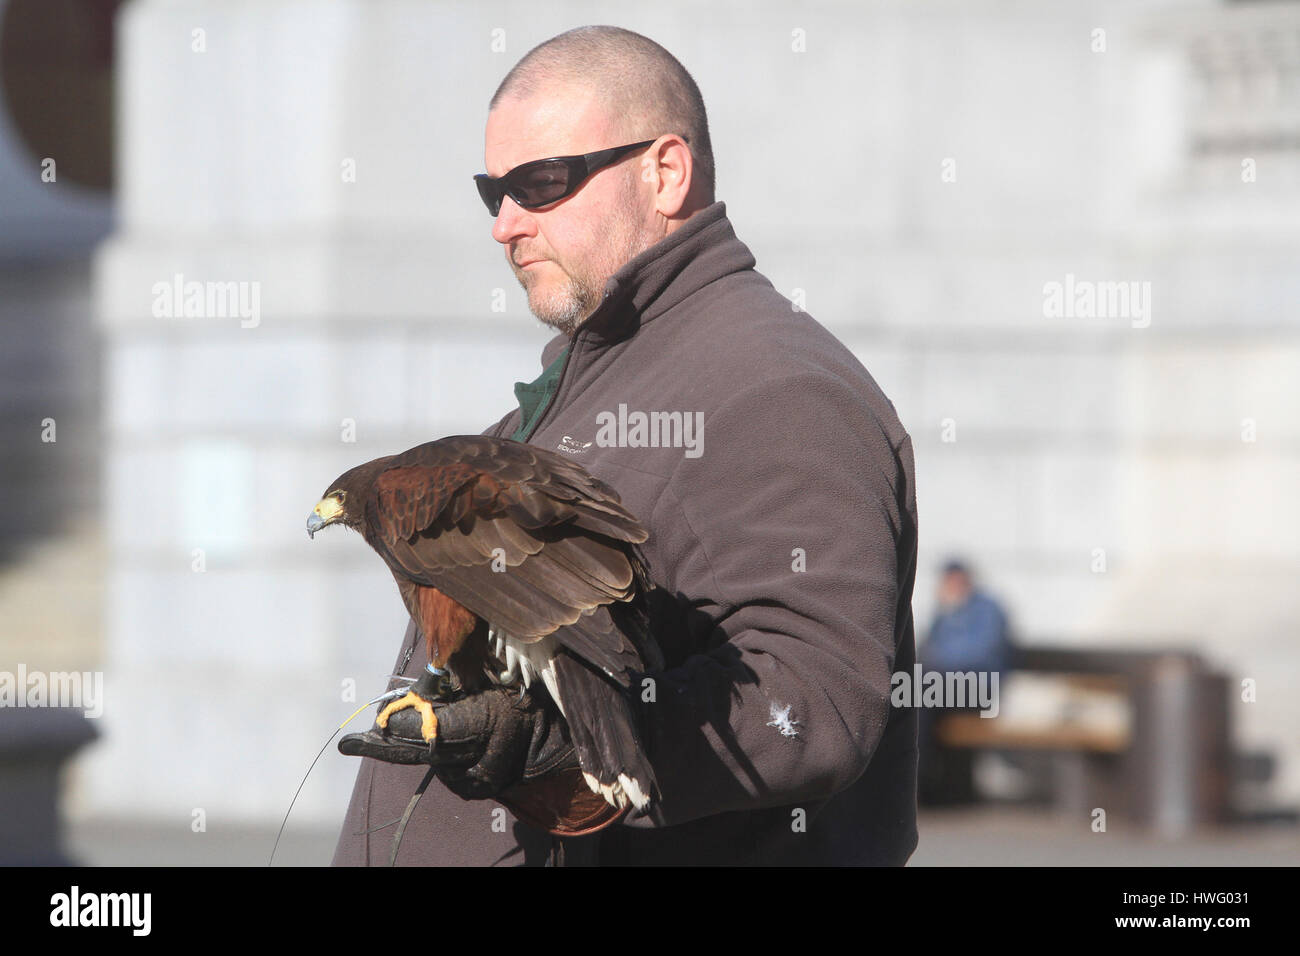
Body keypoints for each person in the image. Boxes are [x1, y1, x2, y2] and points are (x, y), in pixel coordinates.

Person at [331, 25, 919, 866]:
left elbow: (818, 707)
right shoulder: (599, 374)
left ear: (665, 172)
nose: (505, 225)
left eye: (541, 184)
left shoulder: (780, 390)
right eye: (492, 191)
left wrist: (557, 742)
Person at [916, 559, 1015, 805]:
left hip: (978, 689)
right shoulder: (946, 612)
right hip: (945, 689)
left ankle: (920, 781)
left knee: (919, 694)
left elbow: (978, 656)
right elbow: (926, 652)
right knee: (911, 696)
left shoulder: (987, 609)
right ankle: (924, 781)